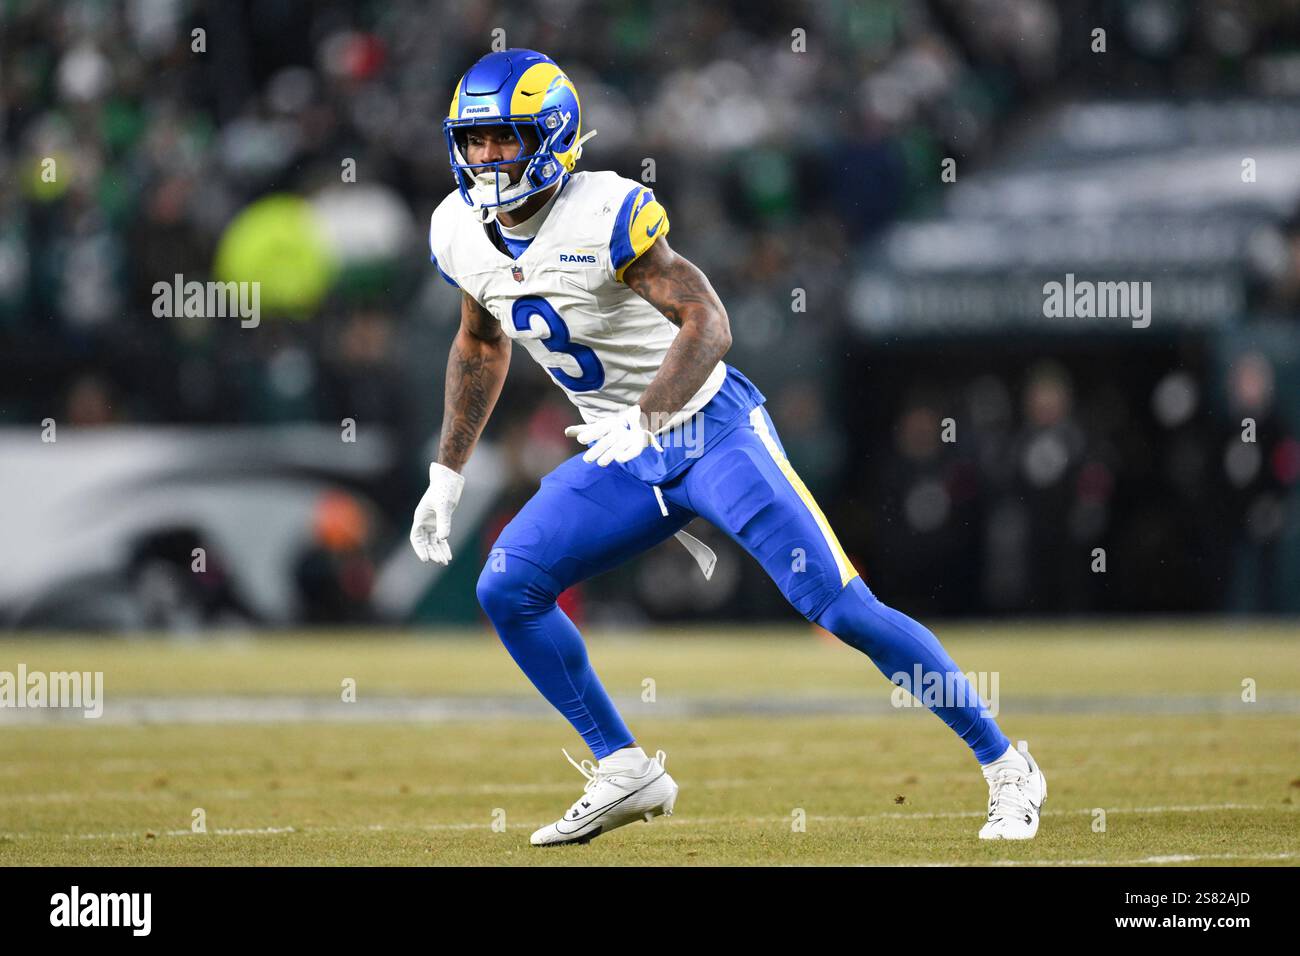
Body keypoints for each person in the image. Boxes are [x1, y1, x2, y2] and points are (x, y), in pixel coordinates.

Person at [410, 49, 1045, 846]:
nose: (487, 159)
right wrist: (448, 470)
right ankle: (625, 769)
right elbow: (480, 341)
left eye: (505, 139)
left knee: (841, 608)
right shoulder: (458, 229)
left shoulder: (604, 212)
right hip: (619, 454)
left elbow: (708, 322)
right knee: (507, 586)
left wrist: (646, 414)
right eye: (475, 141)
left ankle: (1007, 765)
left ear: (554, 135)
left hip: (709, 430)